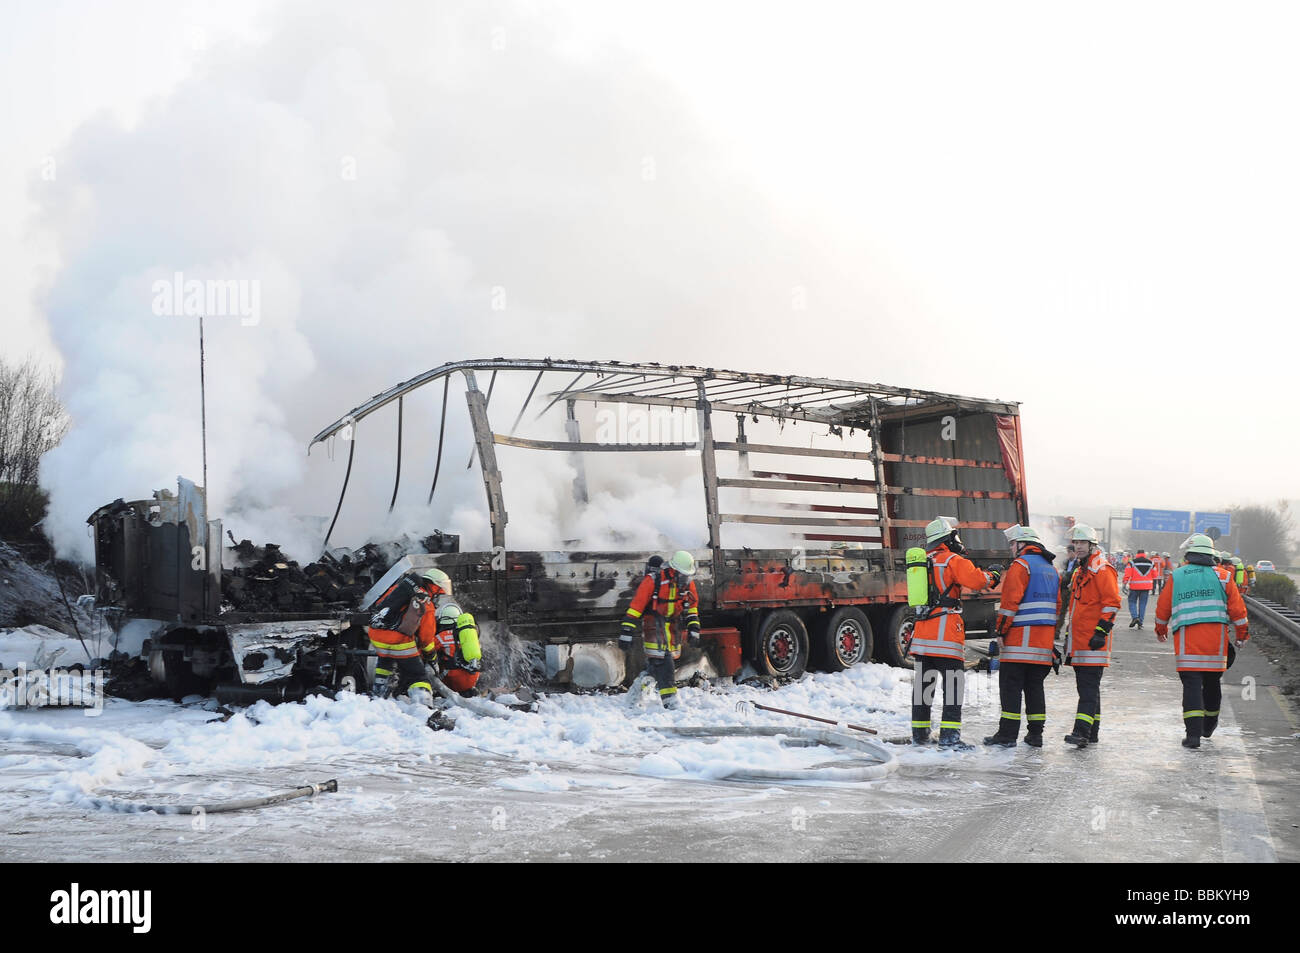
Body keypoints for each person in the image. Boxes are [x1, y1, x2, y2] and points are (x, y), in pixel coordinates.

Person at [908, 516, 999, 750]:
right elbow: (977, 581)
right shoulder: (952, 560)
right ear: (948, 539)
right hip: (945, 634)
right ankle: (950, 738)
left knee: (923, 686)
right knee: (953, 687)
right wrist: (993, 576)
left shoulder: (923, 562)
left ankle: (919, 735)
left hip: (923, 636)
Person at [1154, 535, 1249, 748]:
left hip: (1187, 644)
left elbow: (1163, 608)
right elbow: (1238, 611)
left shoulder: (1178, 576)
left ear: (1189, 554)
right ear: (1211, 554)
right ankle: (1210, 724)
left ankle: (1193, 735)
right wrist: (1242, 634)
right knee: (1213, 683)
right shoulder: (1224, 577)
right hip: (1216, 645)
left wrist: (1160, 629)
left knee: (1192, 687)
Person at [985, 525, 1060, 748]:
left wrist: (1001, 631)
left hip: (1019, 643)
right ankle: (1035, 735)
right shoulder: (1051, 568)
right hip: (1043, 643)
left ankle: (1007, 736)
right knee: (1035, 688)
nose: (1010, 548)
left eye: (1012, 544)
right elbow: (1057, 607)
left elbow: (1009, 605)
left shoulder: (1021, 565)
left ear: (1022, 544)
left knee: (1011, 689)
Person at [619, 550, 701, 710]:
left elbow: (692, 607)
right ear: (674, 571)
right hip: (653, 626)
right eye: (683, 575)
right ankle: (671, 701)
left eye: (688, 575)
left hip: (673, 628)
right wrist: (626, 631)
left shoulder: (687, 583)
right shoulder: (654, 581)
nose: (686, 579)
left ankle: (635, 694)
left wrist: (694, 628)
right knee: (664, 663)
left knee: (655, 665)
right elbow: (636, 607)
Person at [1063, 524, 1121, 748]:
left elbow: (1112, 603)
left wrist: (1101, 632)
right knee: (1088, 689)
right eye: (1075, 543)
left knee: (1087, 689)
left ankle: (1081, 732)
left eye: (1082, 543)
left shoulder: (1102, 569)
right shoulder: (1081, 570)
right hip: (1080, 641)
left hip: (1093, 641)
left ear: (1092, 545)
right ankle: (1092, 733)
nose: (1077, 546)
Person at [366, 567, 454, 705]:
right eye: (439, 591)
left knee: (385, 665)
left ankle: (378, 698)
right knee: (418, 675)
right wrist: (432, 657)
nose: (438, 595)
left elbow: (380, 606)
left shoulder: (401, 588)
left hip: (377, 636)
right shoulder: (426, 602)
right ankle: (423, 706)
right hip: (398, 642)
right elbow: (426, 637)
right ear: (434, 586)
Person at [1122, 549, 1159, 628]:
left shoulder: (1132, 563)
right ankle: (1140, 622)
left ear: (1137, 554)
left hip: (1134, 587)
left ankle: (1135, 618)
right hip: (1146, 587)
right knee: (1142, 604)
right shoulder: (1151, 563)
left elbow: (1127, 574)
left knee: (1132, 602)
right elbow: (1155, 575)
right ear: (1144, 554)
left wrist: (1124, 583)